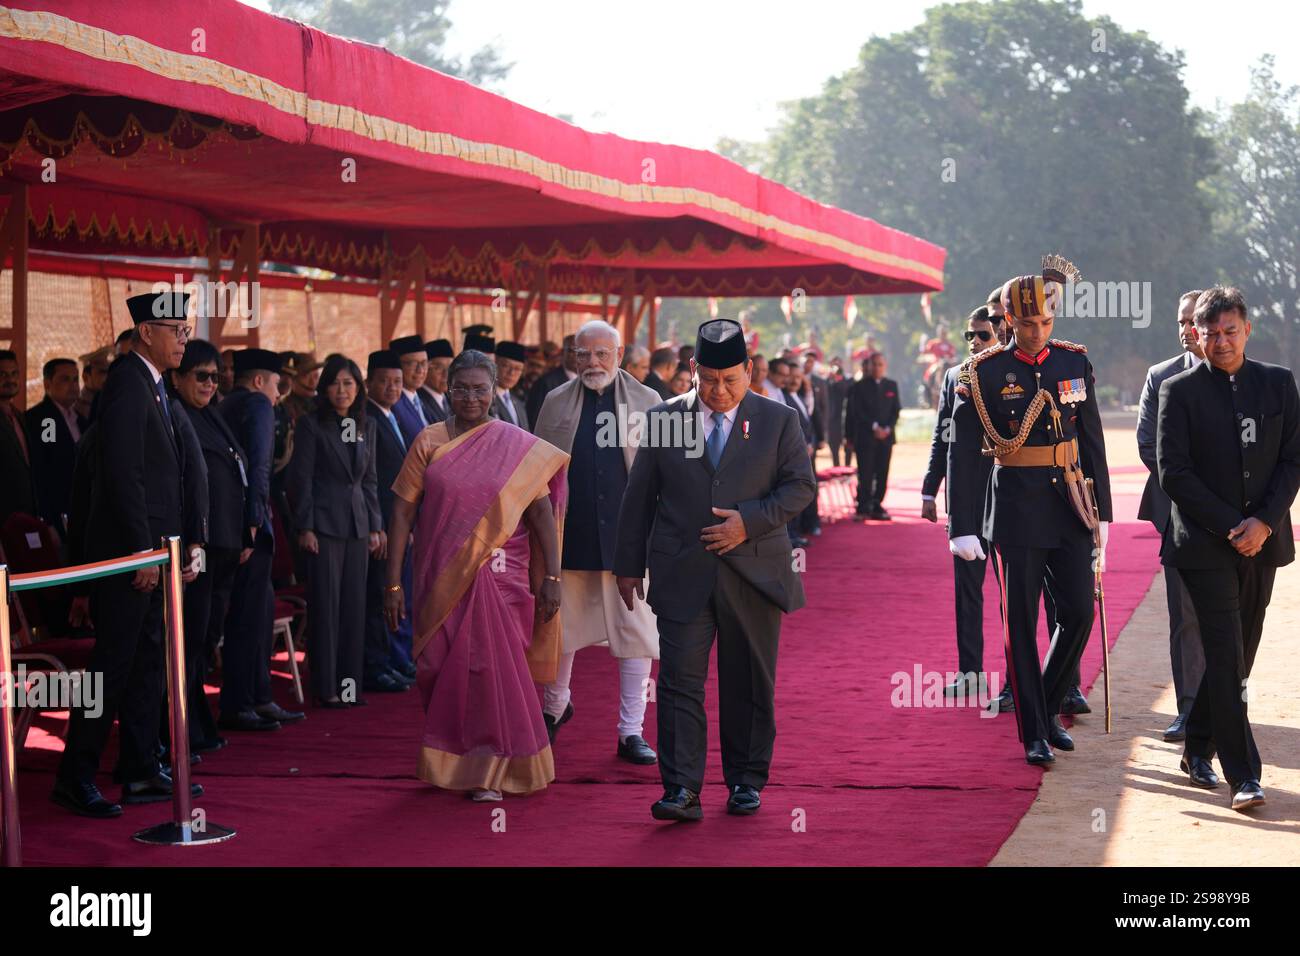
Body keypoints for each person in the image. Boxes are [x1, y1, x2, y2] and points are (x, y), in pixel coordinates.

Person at [614, 318, 816, 822]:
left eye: (730, 379)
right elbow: (639, 496)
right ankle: (681, 789)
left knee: (748, 681)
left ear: (749, 371)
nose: (718, 391)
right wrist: (626, 565)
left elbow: (799, 487)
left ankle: (746, 781)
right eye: (708, 380)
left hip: (754, 572)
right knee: (679, 682)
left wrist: (748, 522)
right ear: (691, 370)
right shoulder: (666, 419)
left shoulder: (778, 419)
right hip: (682, 573)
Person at [384, 349, 567, 800]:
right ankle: (452, 761)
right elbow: (403, 513)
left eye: (479, 389)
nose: (470, 397)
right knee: (438, 667)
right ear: (447, 390)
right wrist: (391, 583)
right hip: (437, 577)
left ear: (492, 392)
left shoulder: (514, 442)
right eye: (461, 388)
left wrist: (553, 577)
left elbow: (542, 513)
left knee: (488, 671)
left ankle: (490, 770)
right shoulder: (428, 441)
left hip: (500, 580)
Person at [52, 291, 201, 817]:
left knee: (145, 666)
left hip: (155, 554)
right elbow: (122, 473)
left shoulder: (154, 384)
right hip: (129, 555)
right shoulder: (127, 382)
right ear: (146, 333)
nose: (184, 338)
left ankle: (140, 768)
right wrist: (140, 551)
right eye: (175, 329)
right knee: (111, 666)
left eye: (186, 329)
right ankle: (75, 776)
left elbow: (166, 476)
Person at [959, 268, 1112, 765]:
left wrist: (1103, 513)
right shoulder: (983, 372)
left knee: (1078, 613)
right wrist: (961, 523)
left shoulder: (1074, 361)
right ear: (1009, 319)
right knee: (1020, 623)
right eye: (1027, 323)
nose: (1037, 331)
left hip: (1068, 506)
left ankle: (1044, 707)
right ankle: (1034, 733)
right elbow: (966, 454)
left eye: (1045, 320)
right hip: (1017, 511)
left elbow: (1092, 440)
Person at [1157, 286, 1300, 812]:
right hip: (1203, 545)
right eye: (1209, 332)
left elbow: (1293, 460)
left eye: (1229, 331)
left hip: (1263, 542)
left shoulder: (1278, 385)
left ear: (1247, 330)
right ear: (1194, 333)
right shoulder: (1179, 391)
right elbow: (1175, 472)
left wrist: (1262, 522)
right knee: (1223, 652)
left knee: (1240, 652)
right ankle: (1244, 776)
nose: (1219, 341)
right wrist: (1231, 525)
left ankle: (1196, 743)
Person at [533, 320, 661, 763]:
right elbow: (536, 477)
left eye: (602, 354)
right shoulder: (554, 403)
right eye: (583, 354)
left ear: (619, 355)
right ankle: (553, 710)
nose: (593, 363)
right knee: (562, 630)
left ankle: (631, 732)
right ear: (573, 356)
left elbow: (664, 477)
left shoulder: (649, 402)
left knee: (636, 635)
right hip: (571, 537)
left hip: (629, 541)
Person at [288, 355, 382, 708]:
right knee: (326, 608)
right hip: (323, 527)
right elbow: (301, 480)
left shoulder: (364, 425)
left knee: (353, 609)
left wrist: (375, 525)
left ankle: (348, 689)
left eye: (348, 383)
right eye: (335, 383)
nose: (342, 390)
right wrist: (306, 526)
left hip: (357, 525)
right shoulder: (311, 425)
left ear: (358, 388)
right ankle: (326, 689)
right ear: (324, 387)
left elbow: (369, 479)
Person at [218, 348, 305, 731]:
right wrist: (253, 522)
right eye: (274, 384)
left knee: (256, 615)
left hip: (233, 530)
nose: (276, 394)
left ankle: (259, 697)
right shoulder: (256, 406)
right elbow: (259, 467)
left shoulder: (224, 405)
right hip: (249, 531)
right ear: (258, 381)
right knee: (247, 619)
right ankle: (242, 703)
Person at [1137, 290, 1207, 741]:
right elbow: (1150, 446)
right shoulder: (1160, 378)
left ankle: (1226, 708)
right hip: (1180, 519)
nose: (1184, 330)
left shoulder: (1251, 380)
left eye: (1191, 322)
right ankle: (1189, 711)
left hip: (1243, 525)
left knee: (1235, 619)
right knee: (1185, 618)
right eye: (1179, 322)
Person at [923, 307, 1001, 698]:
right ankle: (970, 672)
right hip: (968, 505)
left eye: (982, 335)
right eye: (969, 335)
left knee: (1016, 597)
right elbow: (943, 436)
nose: (974, 342)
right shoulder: (955, 376)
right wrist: (928, 489)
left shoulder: (1013, 374)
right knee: (967, 593)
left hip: (1009, 501)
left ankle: (1035, 678)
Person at [171, 338, 243, 753]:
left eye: (215, 377)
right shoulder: (178, 416)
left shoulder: (212, 415)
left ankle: (199, 724)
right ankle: (184, 731)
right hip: (198, 548)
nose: (210, 384)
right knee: (191, 641)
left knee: (205, 638)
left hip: (225, 545)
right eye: (201, 376)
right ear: (178, 377)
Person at [362, 350, 417, 692]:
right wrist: (380, 526)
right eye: (384, 381)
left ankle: (396, 658)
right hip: (381, 524)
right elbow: (371, 478)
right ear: (369, 383)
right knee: (383, 593)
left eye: (397, 382)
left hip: (400, 523)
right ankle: (378, 663)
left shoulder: (393, 415)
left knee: (399, 592)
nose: (392, 388)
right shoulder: (367, 418)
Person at [23, 358, 86, 539]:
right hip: (58, 514)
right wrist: (47, 521)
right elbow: (44, 469)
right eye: (65, 379)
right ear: (47, 383)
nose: (73, 386)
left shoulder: (80, 419)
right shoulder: (45, 419)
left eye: (75, 379)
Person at [0, 349, 35, 527]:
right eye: (3, 374)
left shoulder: (20, 417)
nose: (10, 380)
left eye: (14, 374)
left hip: (25, 515)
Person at [526, 333, 577, 428]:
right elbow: (534, 420)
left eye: (581, 351)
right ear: (562, 353)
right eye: (571, 350)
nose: (575, 355)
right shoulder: (545, 383)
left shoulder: (589, 382)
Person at [389, 335, 432, 445]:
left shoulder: (424, 399)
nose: (420, 370)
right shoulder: (393, 403)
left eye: (424, 363)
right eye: (412, 363)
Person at [491, 340, 530, 429]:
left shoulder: (519, 402)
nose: (511, 373)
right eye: (506, 366)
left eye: (517, 368)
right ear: (494, 364)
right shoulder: (485, 400)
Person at [419, 339, 453, 424]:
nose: (446, 374)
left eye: (450, 367)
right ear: (425, 369)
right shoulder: (419, 402)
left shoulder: (451, 399)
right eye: (439, 367)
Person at [74, 347, 111, 422]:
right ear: (86, 377)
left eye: (109, 372)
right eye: (102, 372)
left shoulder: (107, 400)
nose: (107, 377)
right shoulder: (79, 407)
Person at [827, 357, 851, 467]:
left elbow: (846, 391)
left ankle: (847, 468)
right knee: (834, 447)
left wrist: (839, 379)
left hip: (847, 418)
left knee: (848, 446)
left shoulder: (849, 381)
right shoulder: (826, 381)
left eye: (839, 363)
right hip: (832, 420)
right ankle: (836, 469)